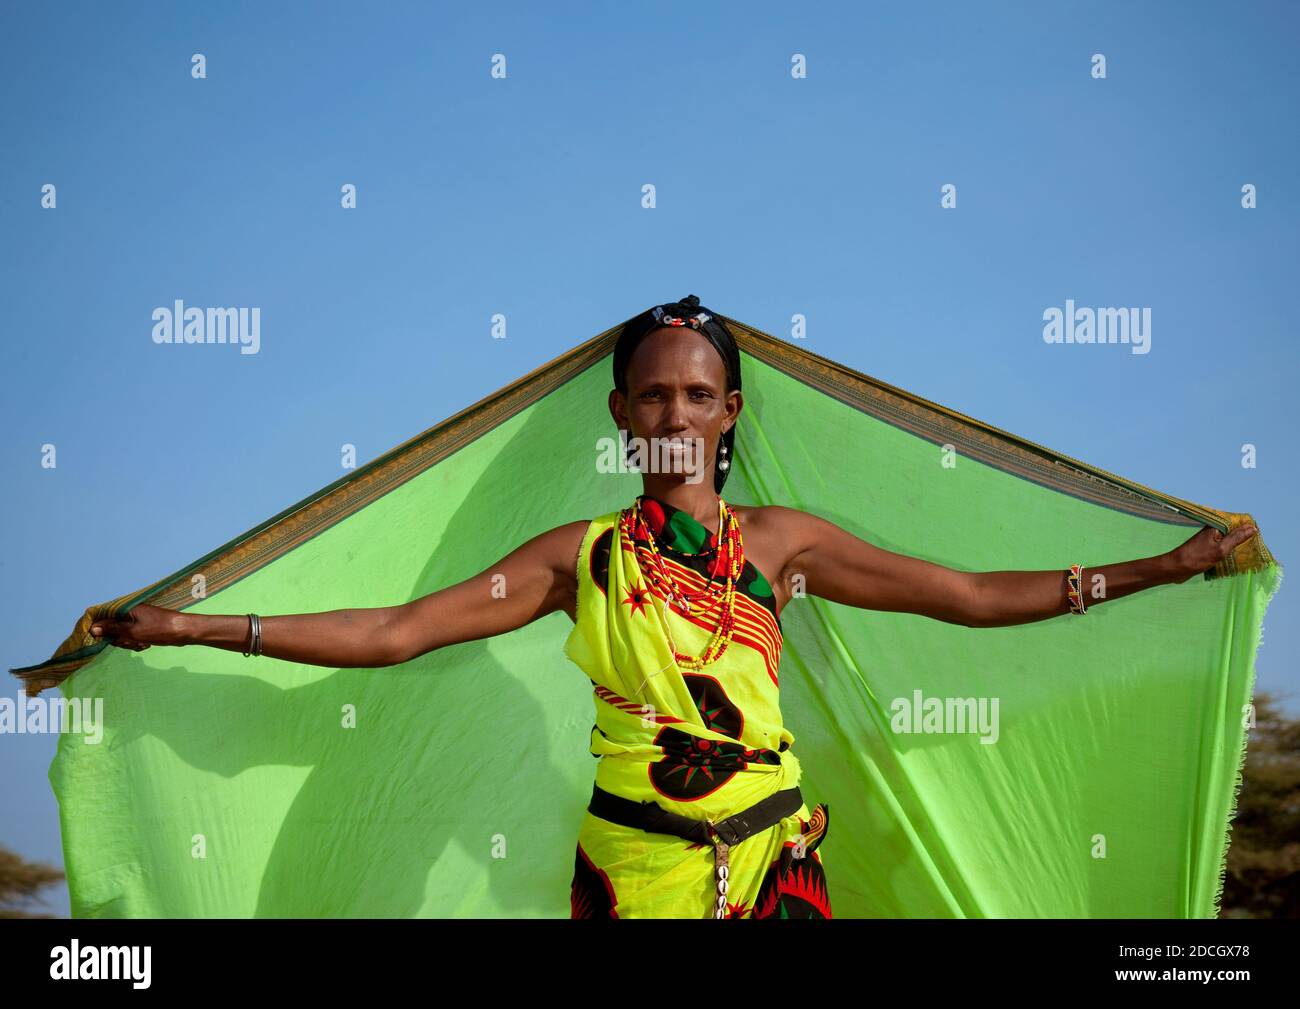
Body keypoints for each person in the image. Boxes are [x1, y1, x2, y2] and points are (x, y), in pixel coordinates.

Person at [89, 294, 1260, 920]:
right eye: (653, 395)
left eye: (698, 392)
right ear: (618, 411)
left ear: (731, 408)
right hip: (632, 870)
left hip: (772, 859)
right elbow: (397, 632)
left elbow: (963, 596)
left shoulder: (783, 545)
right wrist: (193, 625)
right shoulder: (573, 559)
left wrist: (1158, 570)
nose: (676, 414)